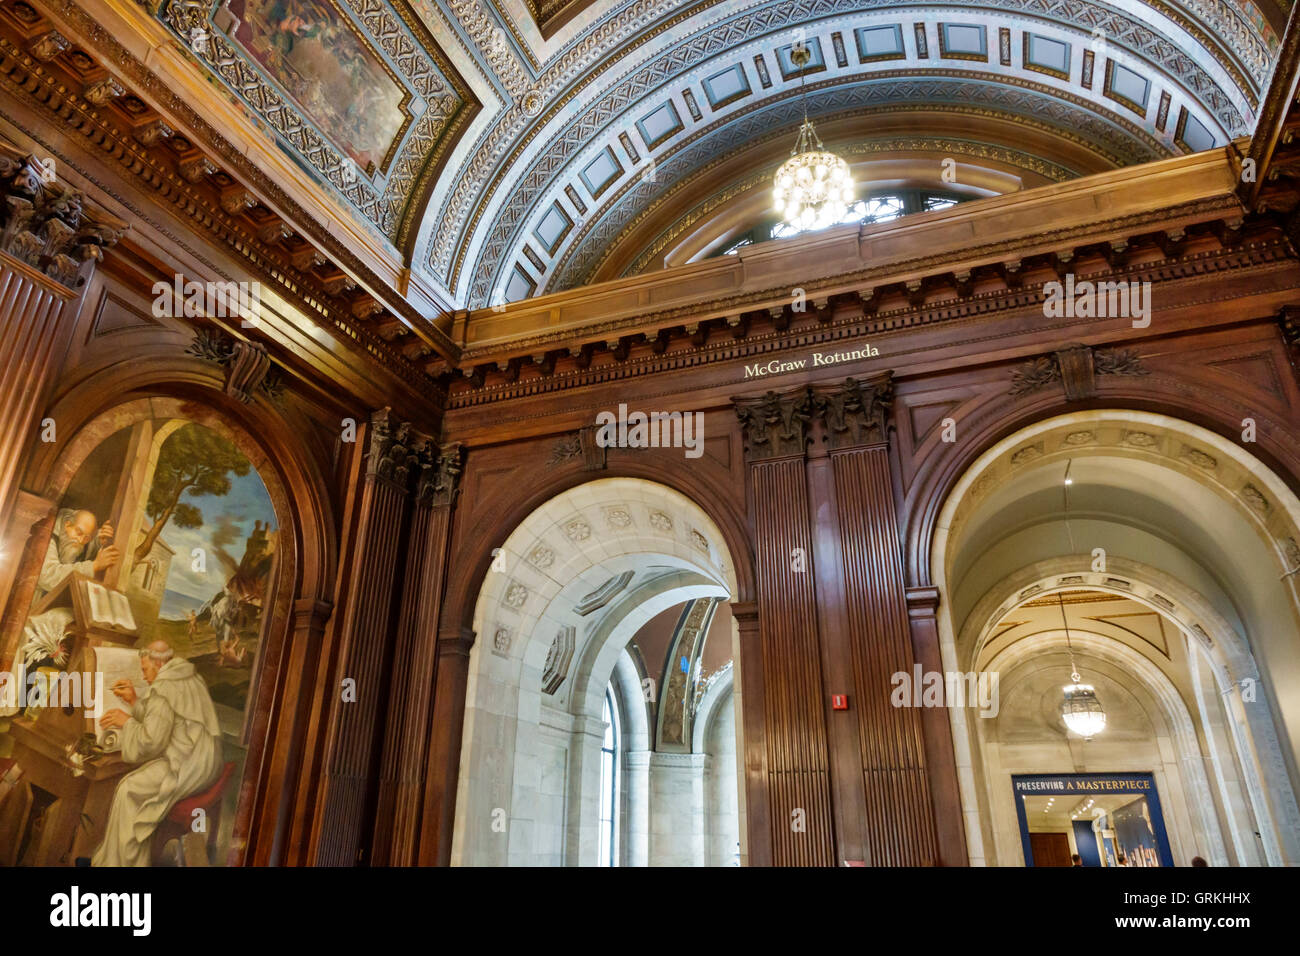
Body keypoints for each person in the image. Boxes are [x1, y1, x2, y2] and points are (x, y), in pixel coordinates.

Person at [91, 641, 222, 866]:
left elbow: (151, 742)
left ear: (159, 663)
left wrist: (127, 722)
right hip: (207, 760)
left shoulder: (163, 688)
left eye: (145, 670)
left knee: (127, 790)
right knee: (133, 784)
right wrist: (134, 700)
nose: (143, 677)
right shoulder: (186, 674)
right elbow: (162, 717)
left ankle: (123, 863)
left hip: (188, 766)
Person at [36, 508, 118, 599]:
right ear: (67, 525)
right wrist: (93, 566)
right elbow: (49, 576)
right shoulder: (45, 538)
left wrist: (101, 541)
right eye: (78, 532)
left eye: (86, 538)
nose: (80, 540)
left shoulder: (80, 540)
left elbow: (91, 544)